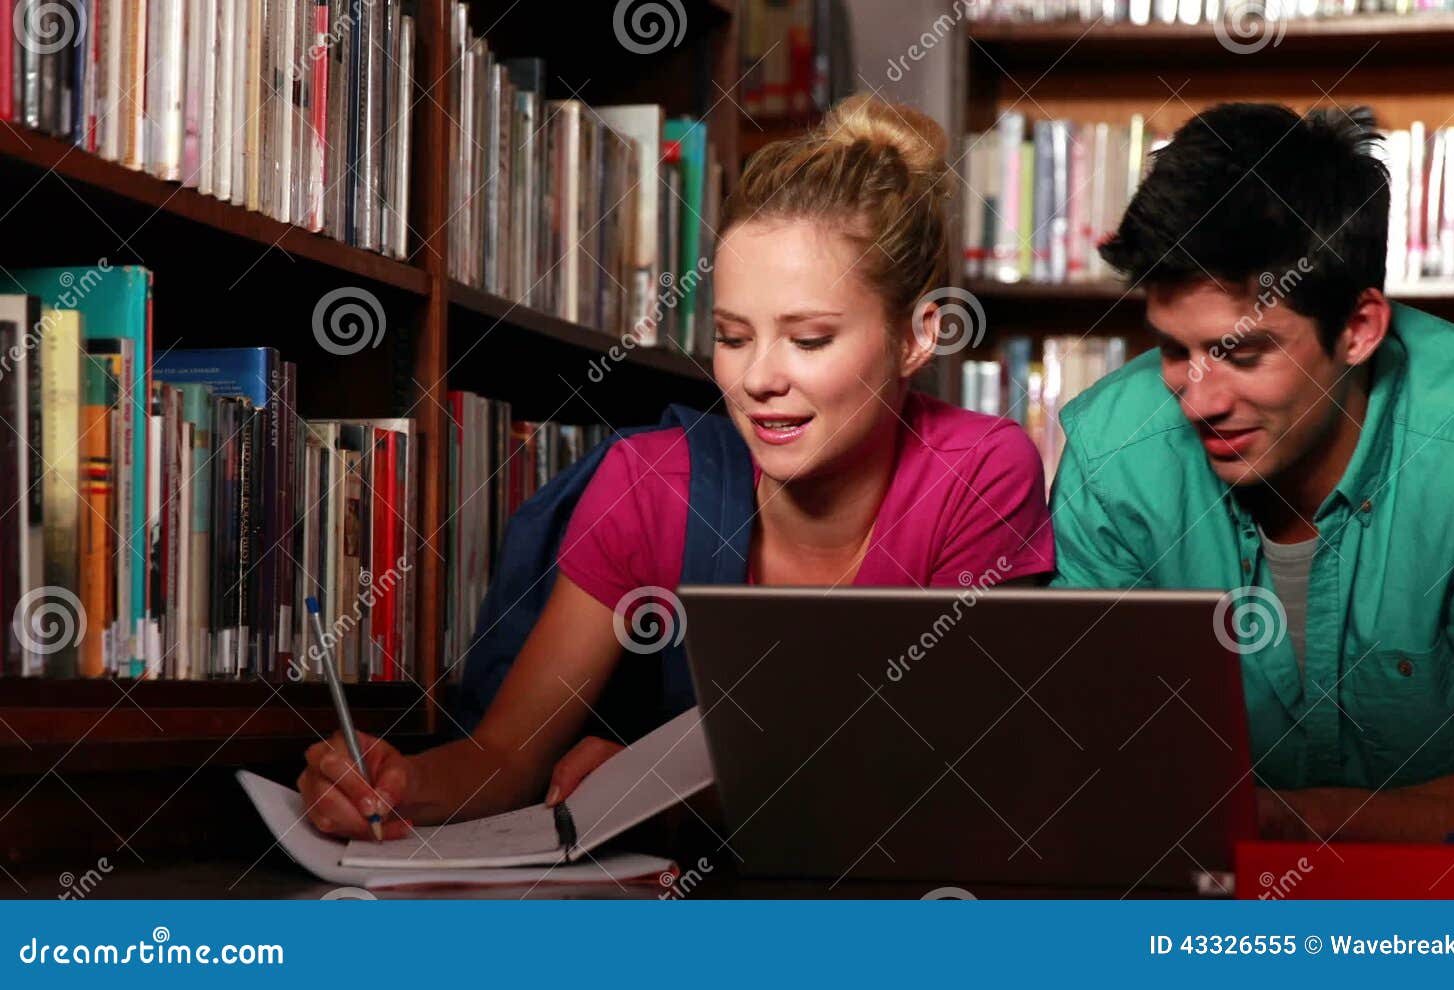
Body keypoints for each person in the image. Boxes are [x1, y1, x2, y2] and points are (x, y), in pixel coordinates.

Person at [298, 95, 1056, 838]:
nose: (759, 378)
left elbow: (954, 781)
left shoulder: (981, 474)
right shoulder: (649, 483)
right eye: (732, 336)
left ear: (919, 336)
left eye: (810, 339)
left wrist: (657, 788)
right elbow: (505, 758)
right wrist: (396, 786)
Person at [1051, 103, 1454, 841]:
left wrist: (1294, 825)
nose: (1198, 400)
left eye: (1242, 353)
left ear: (1358, 329)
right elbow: (1086, 776)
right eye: (1175, 351)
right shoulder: (1110, 449)